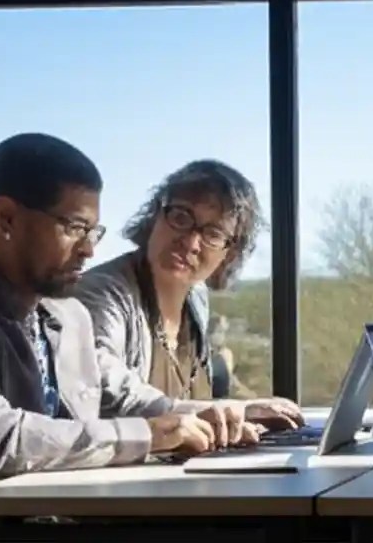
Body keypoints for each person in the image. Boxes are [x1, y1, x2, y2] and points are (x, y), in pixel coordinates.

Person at [0, 134, 259, 542]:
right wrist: (152, 433)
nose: (88, 250)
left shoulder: (64, 313)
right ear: (7, 218)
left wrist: (208, 415)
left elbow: (118, 394)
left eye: (93, 232)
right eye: (74, 228)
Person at [75, 159, 304, 431]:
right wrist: (221, 411)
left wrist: (243, 414)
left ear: (229, 254)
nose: (191, 242)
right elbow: (99, 387)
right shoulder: (103, 292)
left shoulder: (196, 296)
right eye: (181, 218)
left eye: (214, 234)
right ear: (155, 217)